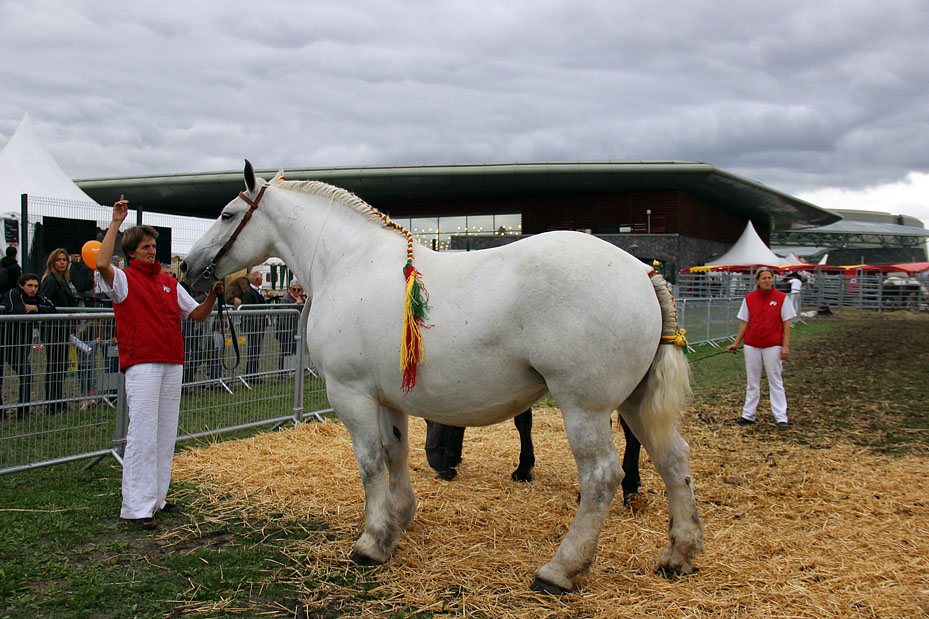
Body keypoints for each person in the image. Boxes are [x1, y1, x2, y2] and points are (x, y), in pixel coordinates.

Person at [96, 194, 223, 530]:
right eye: (145, 247)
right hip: (143, 363)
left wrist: (212, 295)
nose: (151, 250)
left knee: (165, 434)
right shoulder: (123, 280)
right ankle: (136, 507)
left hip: (172, 361)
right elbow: (100, 264)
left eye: (153, 245)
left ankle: (157, 498)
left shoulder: (168, 283)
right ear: (131, 252)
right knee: (142, 434)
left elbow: (197, 314)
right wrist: (115, 224)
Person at [727, 268, 797, 430]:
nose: (767, 280)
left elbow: (787, 323)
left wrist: (785, 346)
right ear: (757, 281)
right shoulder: (749, 299)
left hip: (773, 345)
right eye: (764, 278)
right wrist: (736, 343)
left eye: (769, 278)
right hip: (752, 344)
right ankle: (748, 414)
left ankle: (781, 417)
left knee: (775, 380)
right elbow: (745, 322)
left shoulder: (782, 298)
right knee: (752, 381)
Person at [1, 273, 56, 419]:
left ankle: (23, 409)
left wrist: (35, 308)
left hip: (21, 344)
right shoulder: (14, 293)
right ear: (21, 285)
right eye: (29, 286)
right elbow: (17, 310)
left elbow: (52, 308)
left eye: (36, 286)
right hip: (5, 340)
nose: (33, 289)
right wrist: (31, 310)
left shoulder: (36, 297)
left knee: (26, 374)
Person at [40, 248, 80, 414]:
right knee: (55, 366)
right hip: (53, 328)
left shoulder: (63, 280)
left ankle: (58, 400)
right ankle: (53, 403)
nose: (62, 263)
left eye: (64, 260)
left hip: (62, 328)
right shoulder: (50, 280)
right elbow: (46, 303)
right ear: (52, 262)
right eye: (59, 260)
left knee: (61, 365)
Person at [238, 270, 267, 377]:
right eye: (261, 277)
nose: (262, 279)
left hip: (259, 325)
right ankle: (251, 374)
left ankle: (254, 373)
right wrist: (245, 326)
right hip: (253, 326)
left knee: (256, 350)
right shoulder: (248, 293)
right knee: (252, 351)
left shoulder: (256, 292)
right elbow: (246, 312)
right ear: (257, 279)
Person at [274, 281, 305, 371]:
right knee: (285, 351)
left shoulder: (301, 299)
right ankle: (282, 371)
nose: (296, 291)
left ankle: (293, 369)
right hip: (285, 330)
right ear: (290, 289)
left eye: (298, 290)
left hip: (296, 329)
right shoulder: (285, 299)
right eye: (294, 289)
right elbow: (284, 314)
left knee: (295, 350)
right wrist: (295, 305)